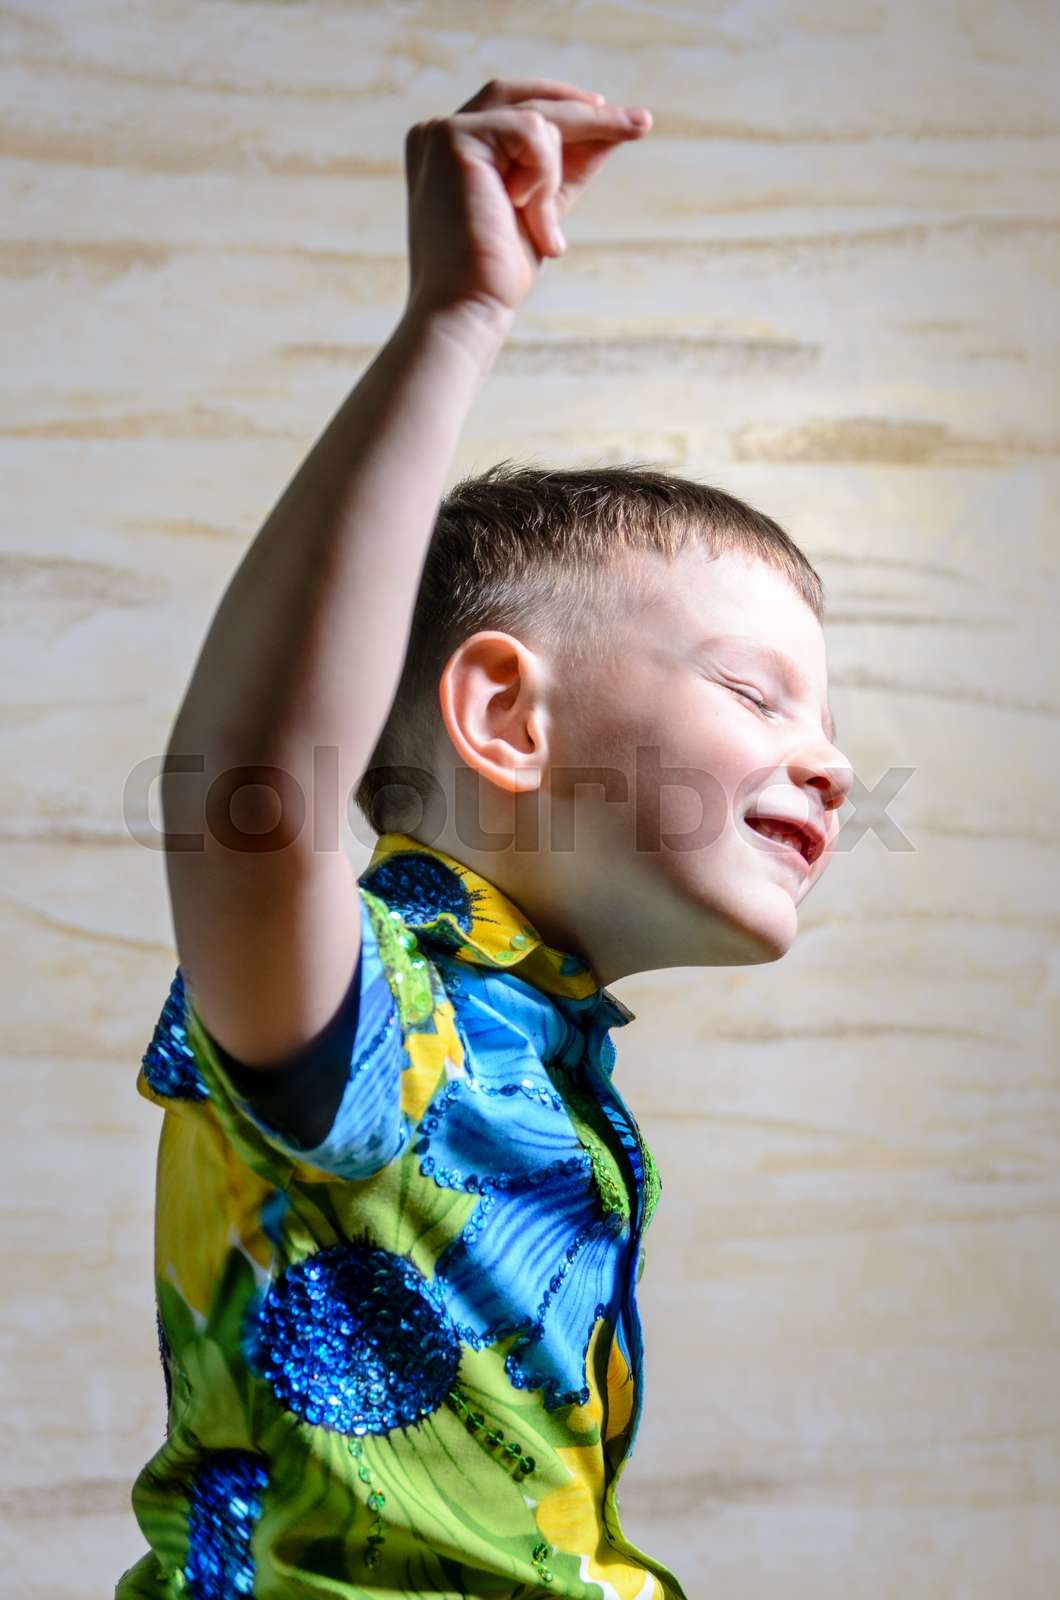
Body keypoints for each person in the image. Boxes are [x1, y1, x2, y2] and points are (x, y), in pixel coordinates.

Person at [118, 75, 852, 1600]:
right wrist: (452, 321)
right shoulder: (378, 1012)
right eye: (755, 695)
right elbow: (250, 802)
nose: (831, 763)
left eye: (826, 717)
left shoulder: (541, 1048)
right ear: (506, 719)